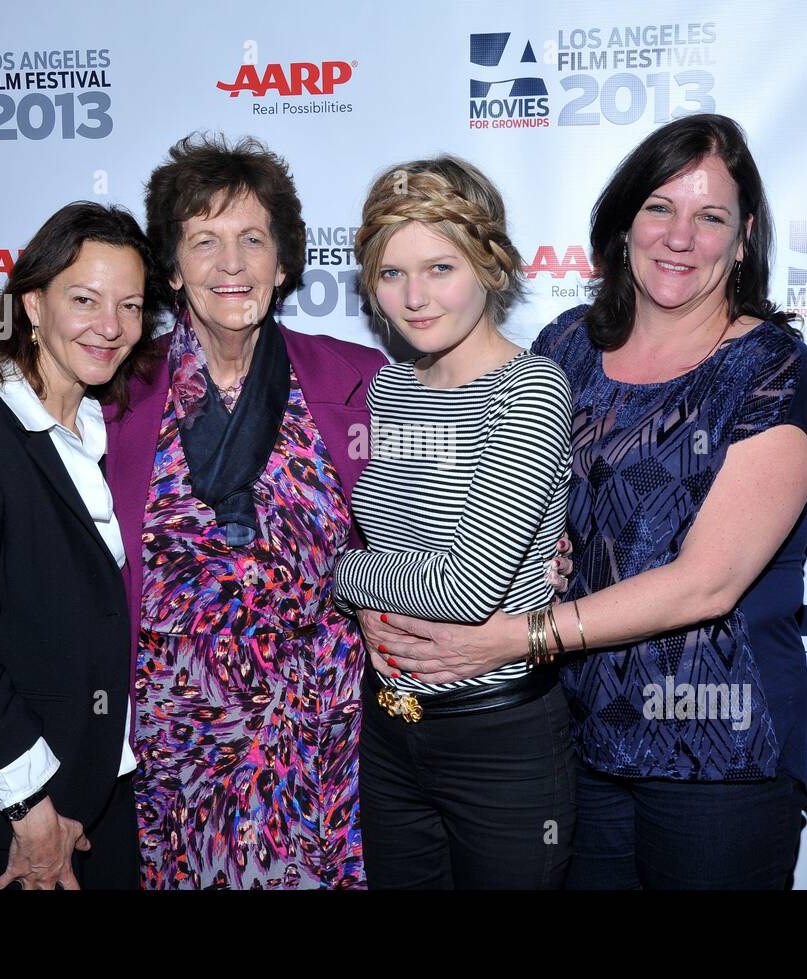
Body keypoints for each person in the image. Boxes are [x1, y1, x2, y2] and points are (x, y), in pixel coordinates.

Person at [362, 115, 807, 889]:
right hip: (574, 737)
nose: (680, 236)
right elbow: (513, 497)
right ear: (622, 223)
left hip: (716, 745)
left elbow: (705, 580)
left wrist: (516, 635)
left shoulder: (771, 369)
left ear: (743, 239)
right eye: (658, 208)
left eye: (710, 216)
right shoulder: (567, 345)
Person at [104, 133, 387, 889]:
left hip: (320, 733)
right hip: (174, 741)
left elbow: (418, 530)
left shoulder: (357, 378)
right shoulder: (117, 397)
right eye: (204, 241)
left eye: (251, 239)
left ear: (283, 262)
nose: (230, 264)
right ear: (171, 269)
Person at [0, 201, 162, 889]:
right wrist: (33, 809)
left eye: (130, 306)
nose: (111, 326)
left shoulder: (109, 433)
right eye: (85, 299)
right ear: (33, 305)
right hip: (13, 815)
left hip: (100, 788)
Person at [333, 157, 576, 889]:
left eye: (440, 267)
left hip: (500, 740)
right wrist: (372, 591)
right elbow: (397, 541)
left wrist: (345, 578)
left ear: (490, 264)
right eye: (390, 273)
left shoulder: (531, 388)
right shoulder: (390, 386)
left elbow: (465, 586)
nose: (414, 298)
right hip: (391, 727)